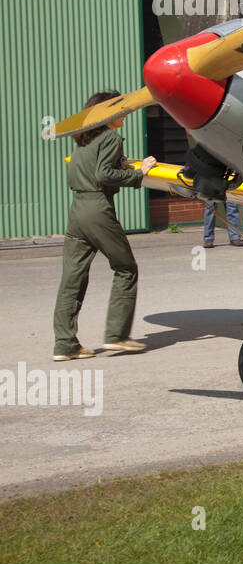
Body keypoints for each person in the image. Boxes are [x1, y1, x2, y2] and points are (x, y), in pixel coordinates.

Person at [52, 91, 157, 361]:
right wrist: (139, 172)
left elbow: (86, 172)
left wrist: (120, 164)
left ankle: (65, 345)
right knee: (126, 268)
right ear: (107, 114)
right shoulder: (110, 137)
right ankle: (117, 336)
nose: (126, 113)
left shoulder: (84, 141)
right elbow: (104, 174)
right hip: (98, 208)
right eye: (121, 108)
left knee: (72, 278)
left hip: (77, 210)